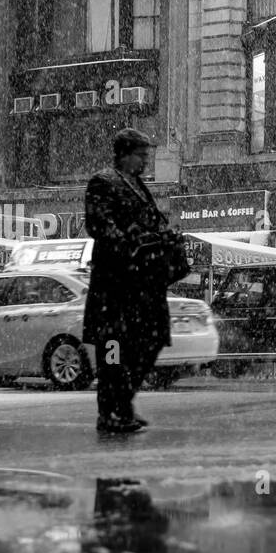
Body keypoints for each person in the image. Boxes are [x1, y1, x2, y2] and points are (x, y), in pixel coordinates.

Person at [82, 128, 177, 435]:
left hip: (143, 284)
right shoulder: (104, 181)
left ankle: (121, 403)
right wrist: (129, 242)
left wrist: (163, 236)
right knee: (114, 351)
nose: (145, 162)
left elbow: (152, 223)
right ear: (125, 154)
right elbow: (99, 224)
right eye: (142, 155)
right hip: (116, 285)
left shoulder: (139, 186)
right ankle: (111, 412)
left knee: (151, 340)